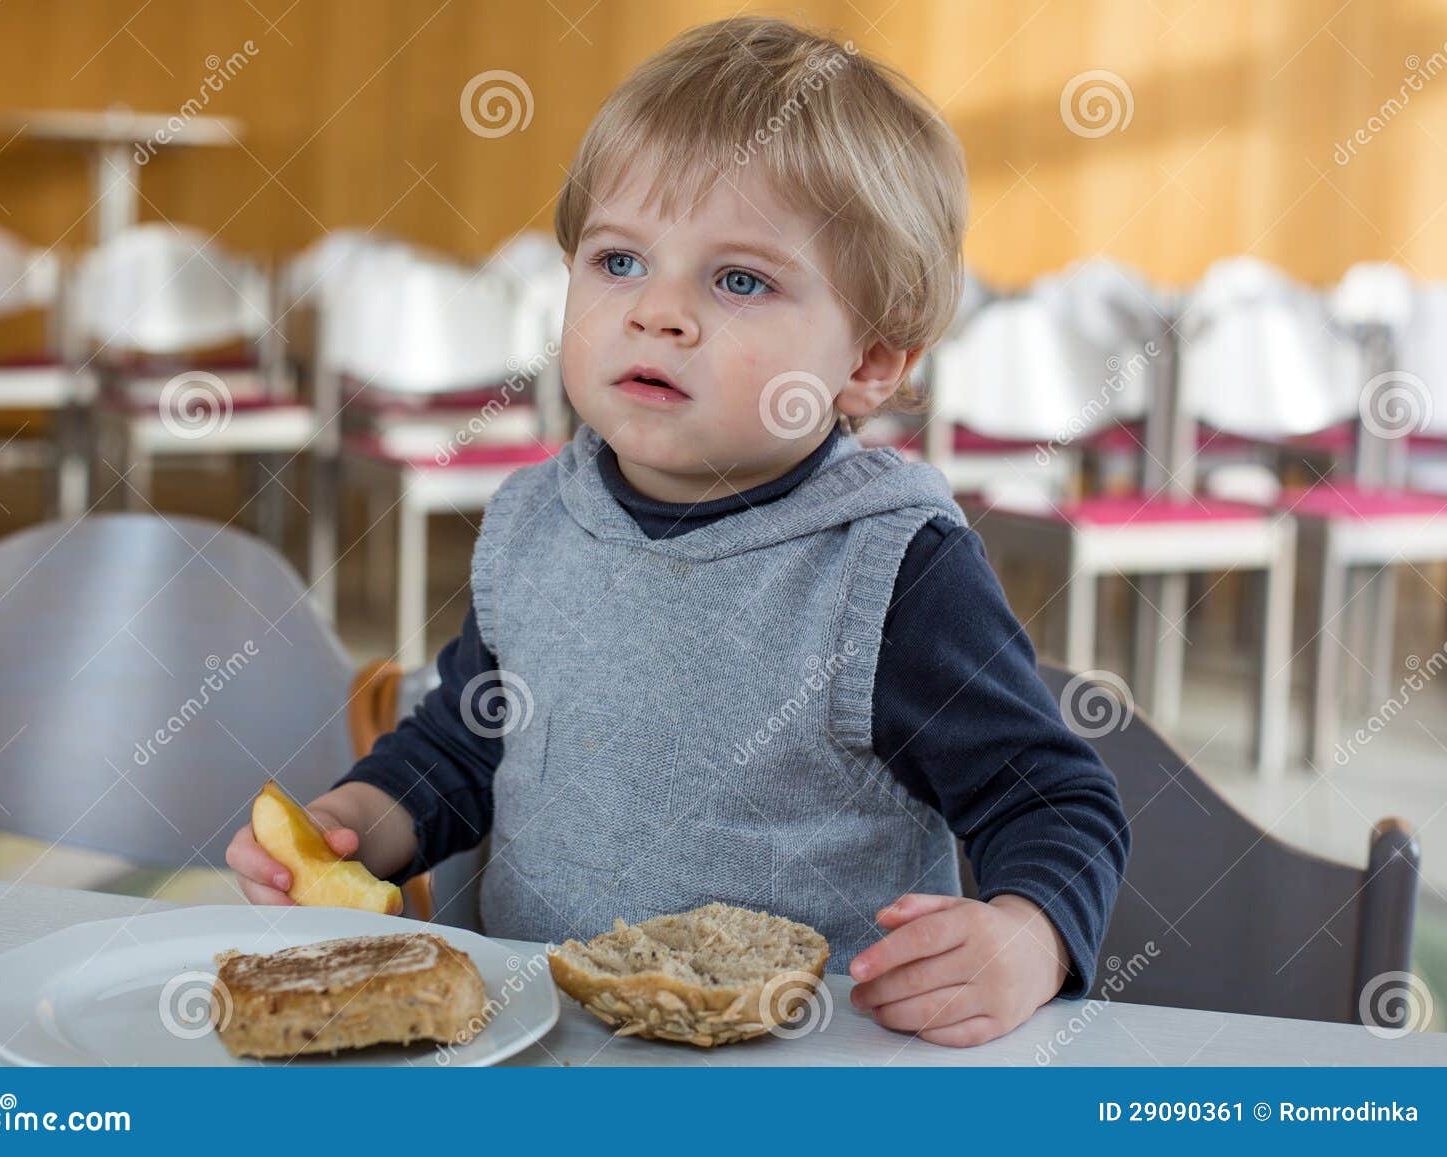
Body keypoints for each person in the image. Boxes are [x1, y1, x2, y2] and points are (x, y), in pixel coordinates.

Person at [229, 15, 1130, 1048]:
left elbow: (1055, 801)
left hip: (798, 1068)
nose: (658, 311)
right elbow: (466, 744)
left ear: (871, 361)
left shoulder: (890, 567)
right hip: (546, 1045)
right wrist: (357, 828)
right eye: (618, 261)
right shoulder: (535, 522)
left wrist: (1027, 934)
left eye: (738, 280)